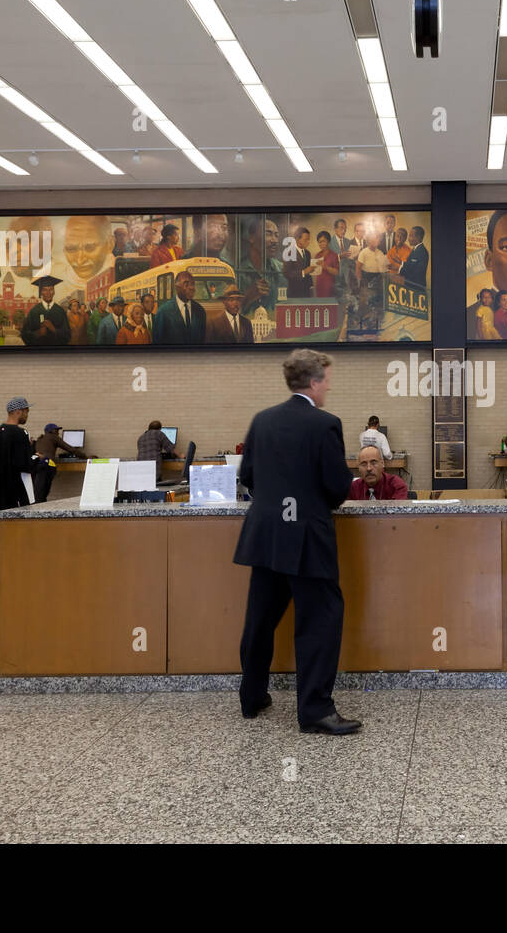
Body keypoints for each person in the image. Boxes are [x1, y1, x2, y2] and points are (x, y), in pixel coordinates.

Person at [234, 349, 358, 736]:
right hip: (307, 537)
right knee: (319, 621)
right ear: (315, 381)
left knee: (261, 620)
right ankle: (315, 710)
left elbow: (248, 475)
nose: (329, 388)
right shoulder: (324, 425)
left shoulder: (263, 420)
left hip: (266, 535)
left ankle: (252, 696)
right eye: (328, 381)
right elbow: (338, 486)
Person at [0, 397, 34, 585]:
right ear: (18, 411)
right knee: (18, 528)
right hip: (15, 488)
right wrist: (36, 458)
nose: (27, 414)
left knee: (0, 527)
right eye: (26, 411)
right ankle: (17, 565)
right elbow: (24, 464)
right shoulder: (20, 433)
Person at [33, 424, 86, 502]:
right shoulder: (53, 437)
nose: (58, 432)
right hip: (47, 464)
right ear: (50, 431)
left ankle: (38, 507)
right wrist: (85, 457)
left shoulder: (39, 439)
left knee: (39, 491)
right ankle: (41, 508)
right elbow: (71, 449)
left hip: (37, 464)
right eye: (56, 430)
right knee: (43, 491)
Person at [153, 270, 207, 344]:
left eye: (193, 284)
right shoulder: (163, 312)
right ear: (176, 286)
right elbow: (157, 343)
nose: (191, 287)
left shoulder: (200, 311)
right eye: (186, 284)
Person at [21, 274, 70, 345]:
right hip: (38, 352)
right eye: (45, 290)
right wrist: (37, 334)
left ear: (54, 291)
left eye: (51, 289)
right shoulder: (34, 311)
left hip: (56, 353)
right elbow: (24, 335)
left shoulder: (60, 311)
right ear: (41, 292)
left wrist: (54, 330)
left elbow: (68, 336)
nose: (48, 293)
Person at [283, 226, 314, 298]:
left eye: (309, 240)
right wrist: (303, 272)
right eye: (306, 240)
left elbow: (308, 272)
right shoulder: (289, 253)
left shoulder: (307, 253)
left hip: (307, 292)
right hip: (295, 293)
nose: (308, 242)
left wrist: (311, 286)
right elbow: (286, 273)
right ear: (297, 239)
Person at [311, 231, 340, 298]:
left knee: (328, 306)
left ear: (328, 241)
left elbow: (337, 272)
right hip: (319, 285)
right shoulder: (317, 255)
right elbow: (315, 272)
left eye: (323, 241)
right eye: (319, 242)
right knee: (319, 306)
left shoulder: (334, 255)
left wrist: (326, 267)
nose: (321, 244)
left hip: (329, 286)